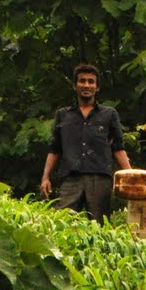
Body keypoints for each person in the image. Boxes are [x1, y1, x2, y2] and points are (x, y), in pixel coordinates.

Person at [40, 63, 132, 221]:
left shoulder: (109, 114)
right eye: (82, 81)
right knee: (62, 222)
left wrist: (131, 176)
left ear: (97, 87)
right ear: (75, 85)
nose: (86, 85)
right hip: (70, 178)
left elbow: (118, 148)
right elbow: (55, 149)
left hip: (99, 179)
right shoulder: (63, 115)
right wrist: (45, 177)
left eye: (91, 81)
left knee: (98, 226)